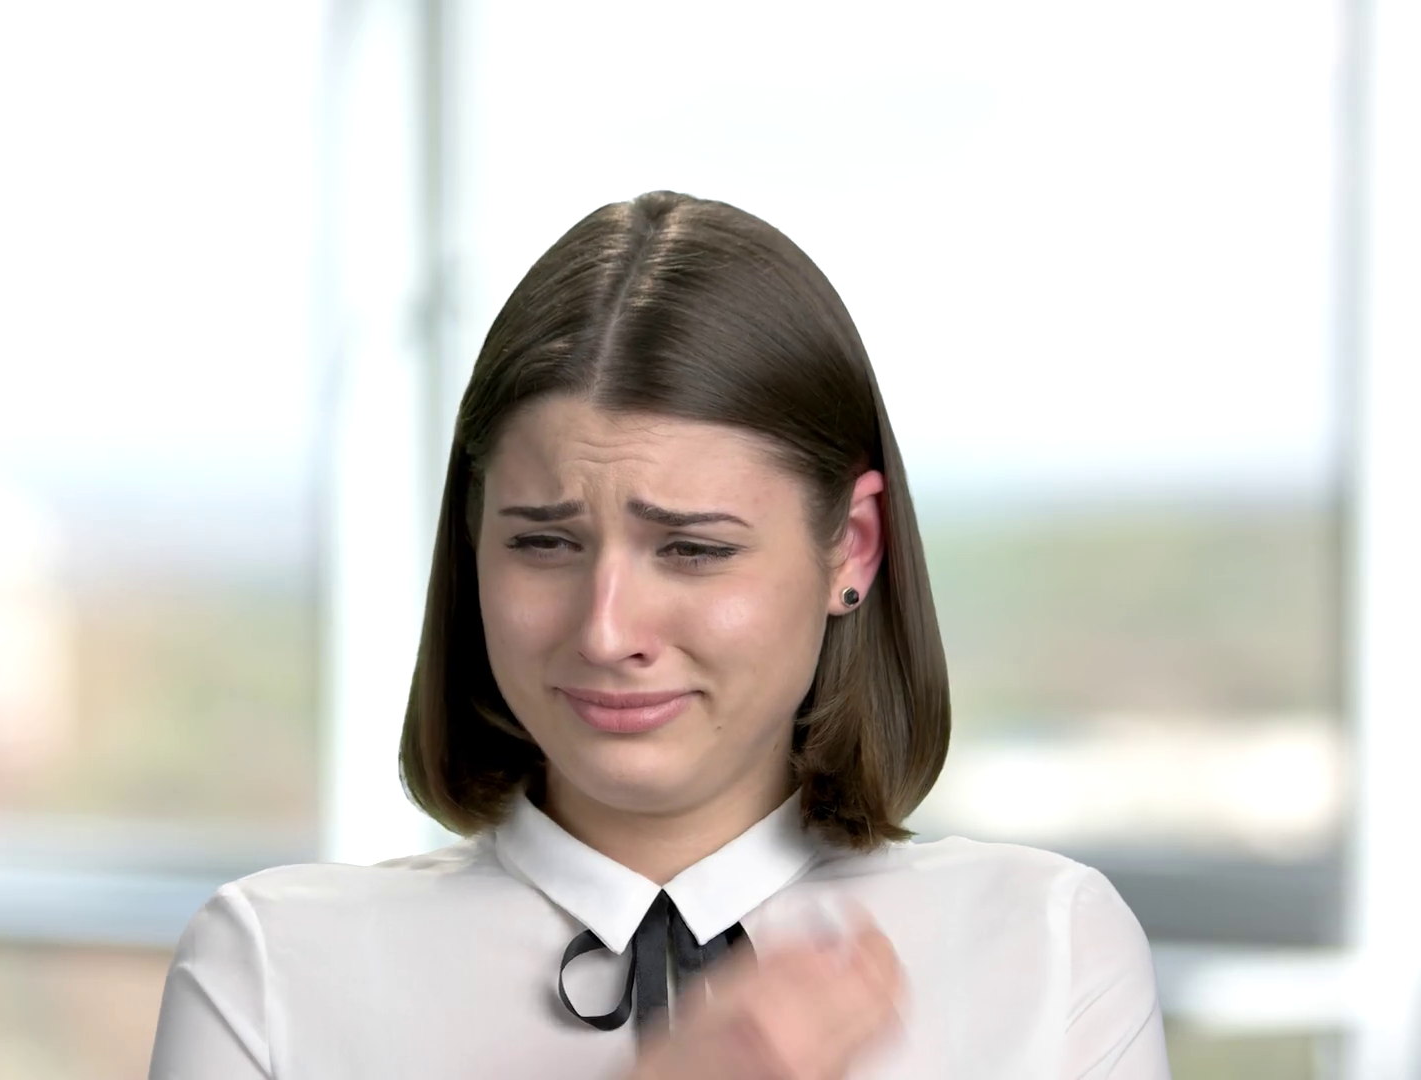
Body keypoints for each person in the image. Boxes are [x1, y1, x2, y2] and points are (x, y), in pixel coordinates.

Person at [147, 191, 1168, 1079]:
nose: (607, 631)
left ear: (852, 550)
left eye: (690, 550)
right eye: (545, 544)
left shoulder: (1046, 948)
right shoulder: (274, 968)